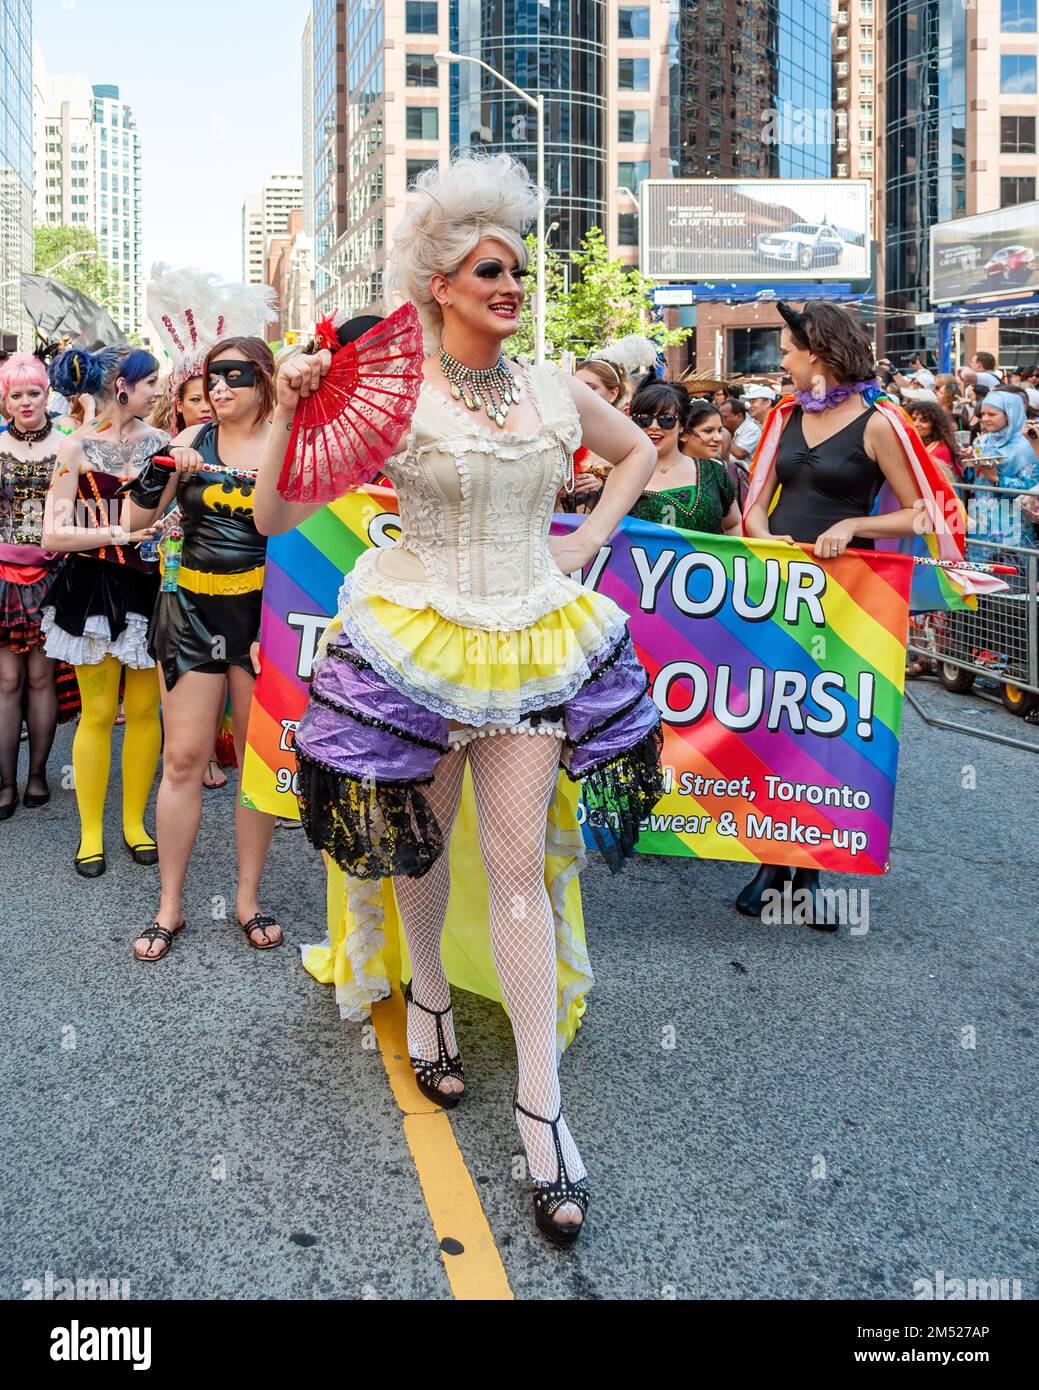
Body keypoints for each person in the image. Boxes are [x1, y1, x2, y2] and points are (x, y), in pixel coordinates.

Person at [254, 151, 663, 1246]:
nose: (510, 285)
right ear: (439, 283)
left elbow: (633, 455)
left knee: (518, 863)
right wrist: (294, 412)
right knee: (422, 847)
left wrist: (588, 534)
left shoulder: (548, 384)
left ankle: (542, 1113)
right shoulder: (394, 397)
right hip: (415, 639)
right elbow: (272, 520)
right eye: (489, 269)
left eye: (518, 269)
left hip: (530, 638)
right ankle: (427, 998)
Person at [740, 301, 946, 927]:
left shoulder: (881, 423)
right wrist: (761, 536)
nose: (781, 359)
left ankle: (810, 869)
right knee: (770, 722)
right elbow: (755, 502)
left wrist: (856, 522)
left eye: (788, 349)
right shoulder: (783, 415)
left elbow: (924, 513)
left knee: (824, 730)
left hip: (846, 599)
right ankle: (773, 864)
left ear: (820, 354)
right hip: (778, 590)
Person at [121, 337, 283, 961]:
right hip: (188, 610)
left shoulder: (288, 447)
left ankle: (247, 898)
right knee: (184, 758)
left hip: (260, 620)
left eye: (234, 377)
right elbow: (136, 522)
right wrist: (161, 467)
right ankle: (170, 904)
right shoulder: (187, 442)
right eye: (211, 378)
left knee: (253, 760)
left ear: (265, 381)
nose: (218, 389)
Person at [40, 347, 166, 877]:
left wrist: (164, 529)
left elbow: (173, 513)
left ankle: (134, 824)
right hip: (92, 590)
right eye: (150, 384)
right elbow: (52, 534)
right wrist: (121, 531)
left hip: (148, 589)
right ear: (121, 386)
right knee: (96, 713)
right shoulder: (74, 447)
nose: (158, 392)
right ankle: (91, 832)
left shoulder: (163, 445)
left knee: (143, 714)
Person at [0, 354, 67, 817]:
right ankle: (5, 781)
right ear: (5, 401)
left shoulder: (67, 445)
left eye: (33, 393)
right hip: (2, 574)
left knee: (42, 678)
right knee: (6, 681)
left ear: (47, 395)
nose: (25, 402)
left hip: (52, 573)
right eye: (16, 395)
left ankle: (38, 774)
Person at [628, 377, 741, 535]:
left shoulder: (714, 472)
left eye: (666, 420)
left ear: (681, 425)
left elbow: (733, 525)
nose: (654, 427)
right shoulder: (623, 475)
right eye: (645, 420)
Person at [719, 394, 762, 468]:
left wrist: (725, 435)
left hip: (746, 476)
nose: (721, 420)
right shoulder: (730, 429)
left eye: (724, 417)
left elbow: (740, 454)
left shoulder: (752, 429)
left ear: (739, 416)